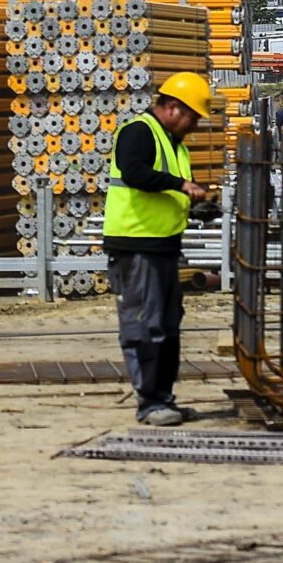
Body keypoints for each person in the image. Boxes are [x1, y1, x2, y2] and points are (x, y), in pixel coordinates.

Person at [106, 70, 215, 427]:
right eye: (193, 117)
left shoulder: (173, 143)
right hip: (137, 246)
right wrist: (182, 185)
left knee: (168, 325)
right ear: (172, 107)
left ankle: (164, 399)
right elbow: (135, 173)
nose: (194, 125)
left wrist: (196, 203)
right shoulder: (139, 132)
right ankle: (150, 403)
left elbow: (166, 189)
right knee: (145, 324)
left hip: (163, 245)